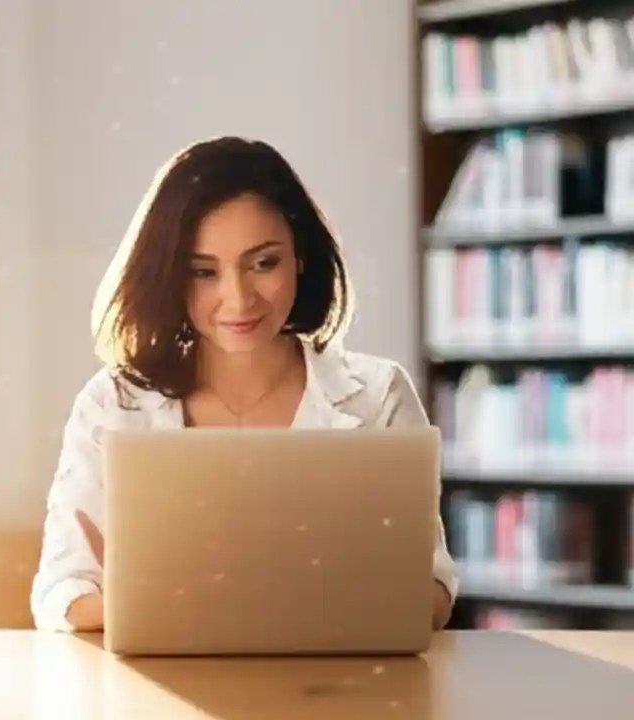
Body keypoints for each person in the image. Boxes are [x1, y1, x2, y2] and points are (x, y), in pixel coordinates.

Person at [29, 136, 458, 633]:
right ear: (171, 276)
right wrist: (174, 608)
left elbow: (430, 591)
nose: (237, 299)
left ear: (299, 255)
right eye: (202, 272)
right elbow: (62, 592)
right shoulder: (114, 403)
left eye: (263, 263)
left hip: (339, 694)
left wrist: (220, 605)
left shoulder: (377, 395)